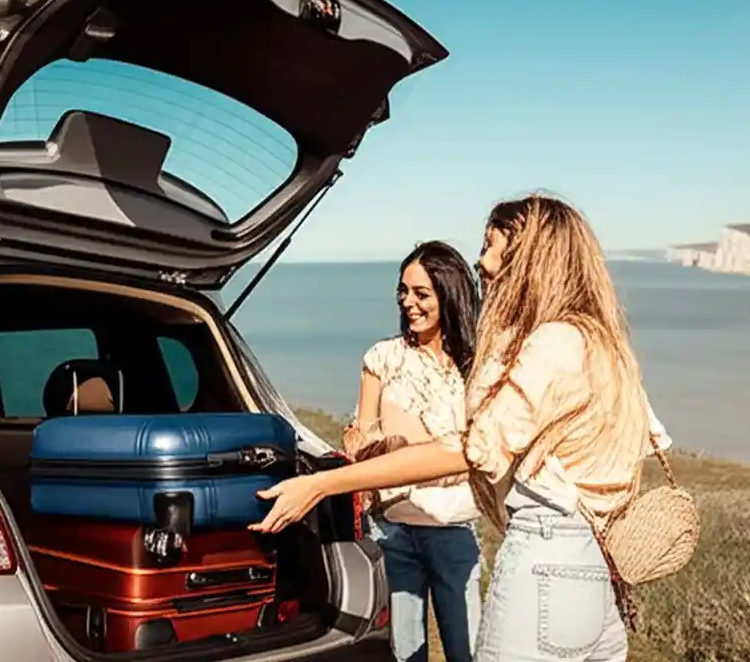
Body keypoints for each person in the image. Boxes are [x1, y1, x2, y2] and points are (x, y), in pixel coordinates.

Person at [251, 193, 671, 662]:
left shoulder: (553, 342)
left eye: (491, 245)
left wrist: (320, 484)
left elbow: (470, 451)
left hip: (546, 562)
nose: (481, 261)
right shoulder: (605, 345)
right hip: (596, 578)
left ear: (530, 256)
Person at [342, 241, 483, 662]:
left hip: (454, 526)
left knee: (467, 651)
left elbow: (482, 449)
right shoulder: (382, 358)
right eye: (403, 292)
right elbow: (363, 438)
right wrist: (360, 446)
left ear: (449, 294)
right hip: (392, 530)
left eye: (421, 293)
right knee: (404, 654)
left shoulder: (475, 365)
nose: (408, 303)